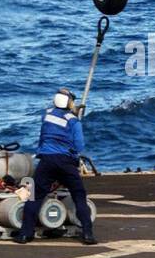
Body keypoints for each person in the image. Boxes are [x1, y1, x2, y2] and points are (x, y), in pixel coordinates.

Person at [15, 87, 97, 245]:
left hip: (46, 161)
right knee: (79, 195)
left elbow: (49, 131)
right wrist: (75, 118)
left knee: (34, 196)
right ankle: (88, 234)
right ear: (69, 102)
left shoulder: (46, 115)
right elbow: (79, 146)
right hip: (66, 163)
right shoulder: (73, 120)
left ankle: (25, 234)